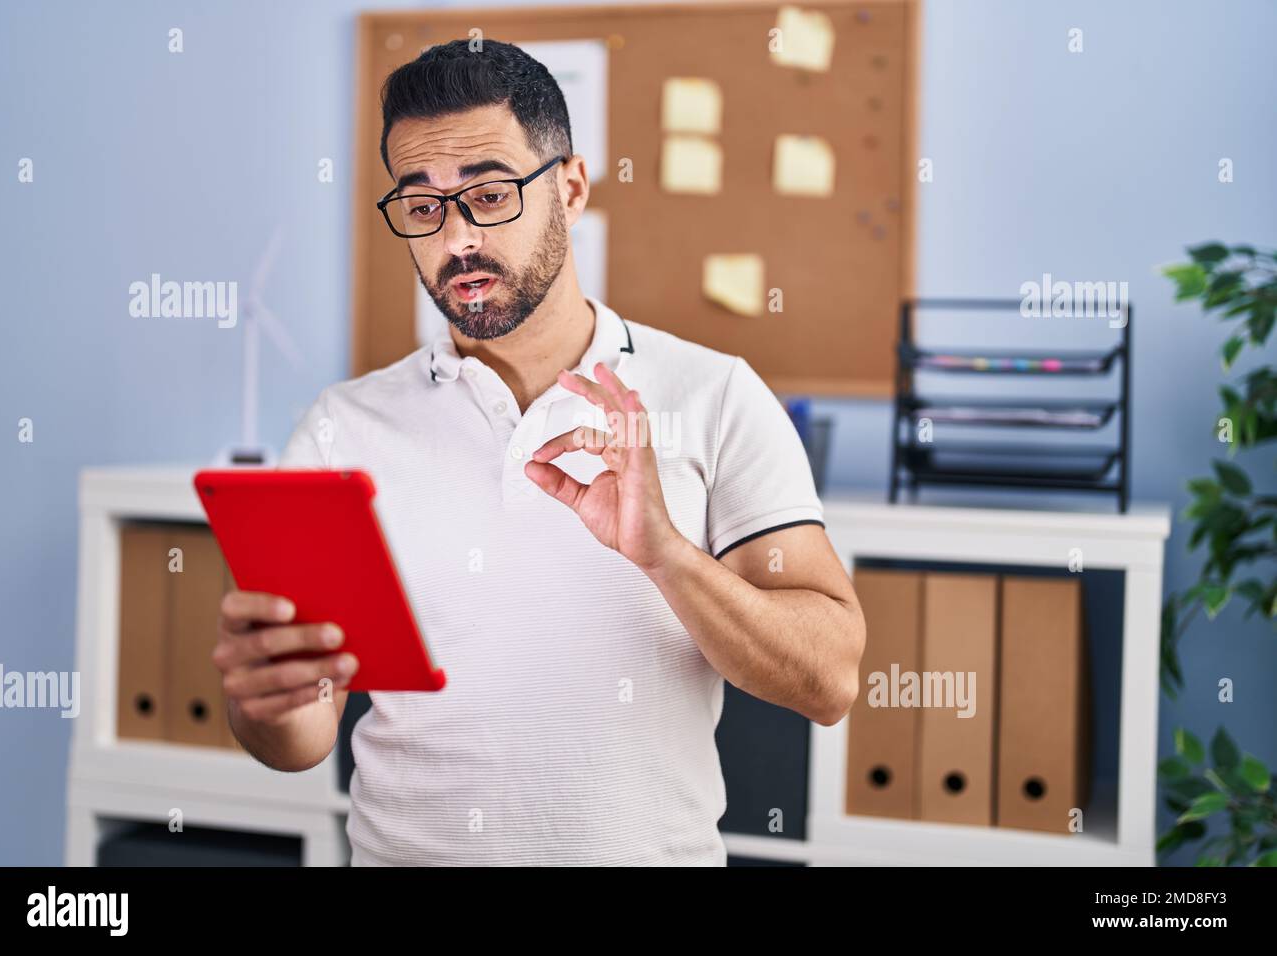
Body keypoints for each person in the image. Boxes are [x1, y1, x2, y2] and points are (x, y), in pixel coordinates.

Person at [212, 39, 865, 866]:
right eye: (422, 208)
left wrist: (665, 556)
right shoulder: (343, 429)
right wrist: (265, 700)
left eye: (489, 195)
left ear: (571, 187)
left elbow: (830, 680)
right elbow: (301, 739)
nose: (457, 241)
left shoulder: (716, 394)